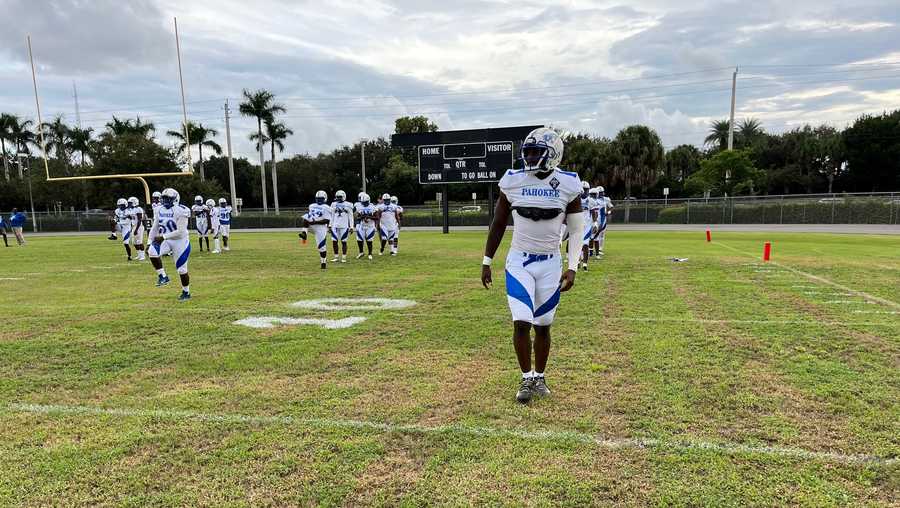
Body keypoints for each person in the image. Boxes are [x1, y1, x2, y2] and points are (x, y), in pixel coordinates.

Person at [480, 127, 583, 404]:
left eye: (537, 152)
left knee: (543, 326)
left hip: (550, 262)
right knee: (521, 321)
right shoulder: (513, 181)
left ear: (553, 154)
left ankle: (540, 376)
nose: (530, 157)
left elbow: (576, 230)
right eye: (528, 152)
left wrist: (572, 267)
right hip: (519, 261)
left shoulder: (569, 184)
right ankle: (526, 378)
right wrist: (487, 260)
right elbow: (498, 223)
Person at [148, 188, 192, 301]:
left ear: (175, 199)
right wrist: (149, 241)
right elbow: (155, 227)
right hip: (166, 239)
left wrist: (163, 237)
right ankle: (163, 276)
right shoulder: (159, 209)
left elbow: (181, 231)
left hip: (180, 241)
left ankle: (186, 291)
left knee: (182, 270)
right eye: (164, 198)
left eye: (168, 198)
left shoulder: (182, 210)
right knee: (152, 251)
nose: (166, 201)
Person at [298, 190, 332, 269]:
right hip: (312, 225)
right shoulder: (312, 205)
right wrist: (312, 220)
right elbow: (310, 215)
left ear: (324, 199)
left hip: (321, 227)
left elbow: (327, 220)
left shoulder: (327, 207)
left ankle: (323, 262)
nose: (319, 200)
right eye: (317, 198)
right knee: (305, 218)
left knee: (321, 247)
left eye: (320, 198)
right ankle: (304, 233)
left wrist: (315, 221)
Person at [330, 190, 354, 263]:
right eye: (337, 197)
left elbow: (351, 216)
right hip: (335, 225)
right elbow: (332, 215)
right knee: (334, 241)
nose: (338, 198)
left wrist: (351, 226)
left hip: (344, 226)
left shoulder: (349, 204)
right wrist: (330, 225)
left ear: (344, 196)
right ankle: (336, 257)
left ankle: (344, 257)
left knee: (344, 241)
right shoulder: (333, 204)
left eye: (340, 197)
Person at [354, 192, 376, 260]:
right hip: (362, 225)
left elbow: (377, 217)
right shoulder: (359, 206)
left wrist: (369, 217)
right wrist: (362, 217)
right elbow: (357, 217)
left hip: (370, 226)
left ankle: (370, 253)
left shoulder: (372, 206)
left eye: (366, 202)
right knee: (359, 239)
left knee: (369, 240)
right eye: (363, 202)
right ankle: (361, 252)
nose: (364, 203)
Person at [595, 186, 613, 256]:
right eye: (599, 193)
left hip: (603, 218)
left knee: (601, 234)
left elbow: (611, 207)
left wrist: (608, 213)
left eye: (601, 192)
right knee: (594, 234)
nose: (601, 194)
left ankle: (600, 248)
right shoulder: (592, 199)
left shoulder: (606, 199)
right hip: (594, 219)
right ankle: (591, 248)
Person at [128, 197, 147, 261]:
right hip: (134, 226)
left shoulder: (139, 209)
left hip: (139, 227)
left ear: (134, 202)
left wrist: (136, 229)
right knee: (134, 242)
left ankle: (142, 256)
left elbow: (139, 220)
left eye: (130, 203)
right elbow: (133, 219)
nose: (129, 204)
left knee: (139, 241)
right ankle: (139, 255)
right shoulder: (132, 209)